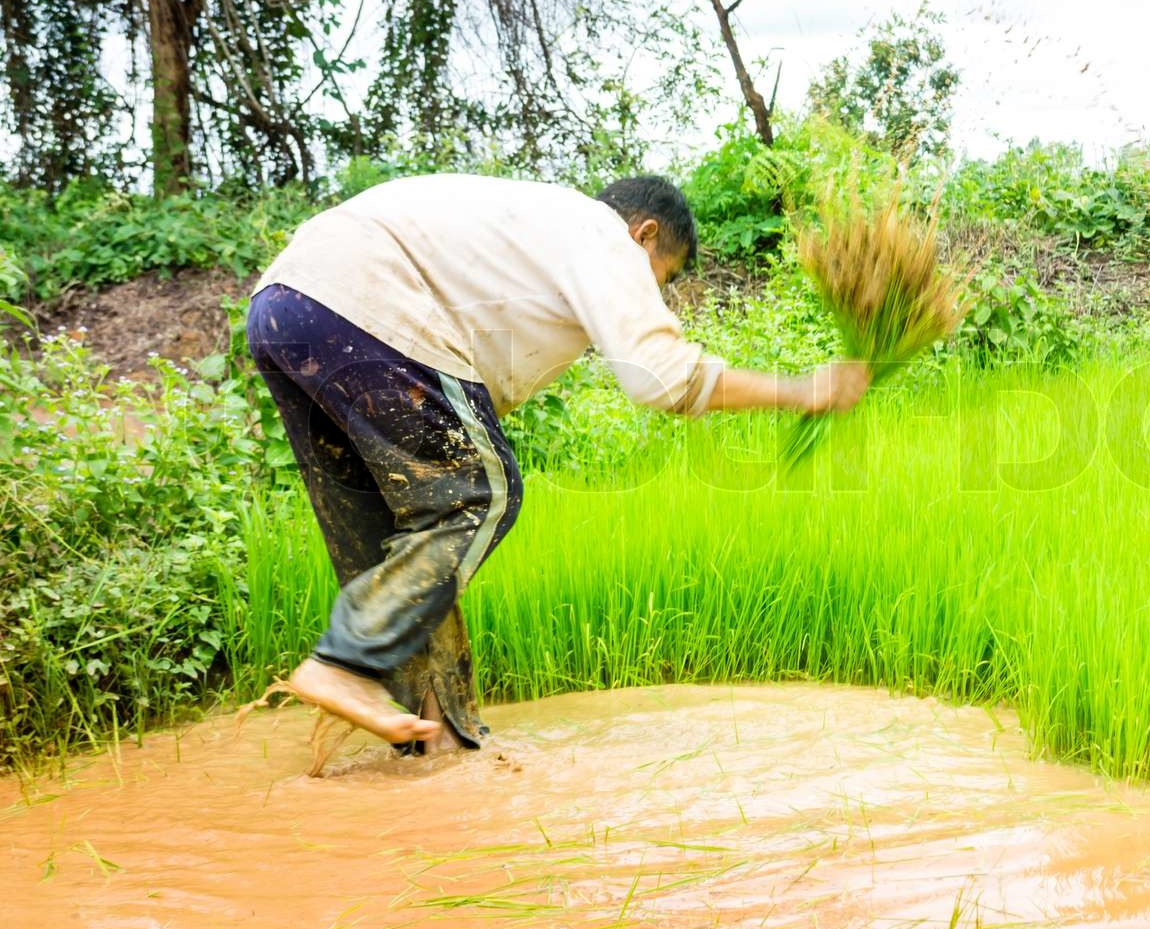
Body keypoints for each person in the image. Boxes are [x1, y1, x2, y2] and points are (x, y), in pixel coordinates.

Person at [245, 173, 868, 752]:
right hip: (362, 301)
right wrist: (803, 389)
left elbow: (475, 382)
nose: (647, 296)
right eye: (657, 279)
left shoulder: (527, 238)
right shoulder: (601, 233)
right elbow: (665, 380)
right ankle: (345, 665)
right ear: (644, 233)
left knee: (402, 547)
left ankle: (431, 741)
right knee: (481, 495)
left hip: (283, 308)